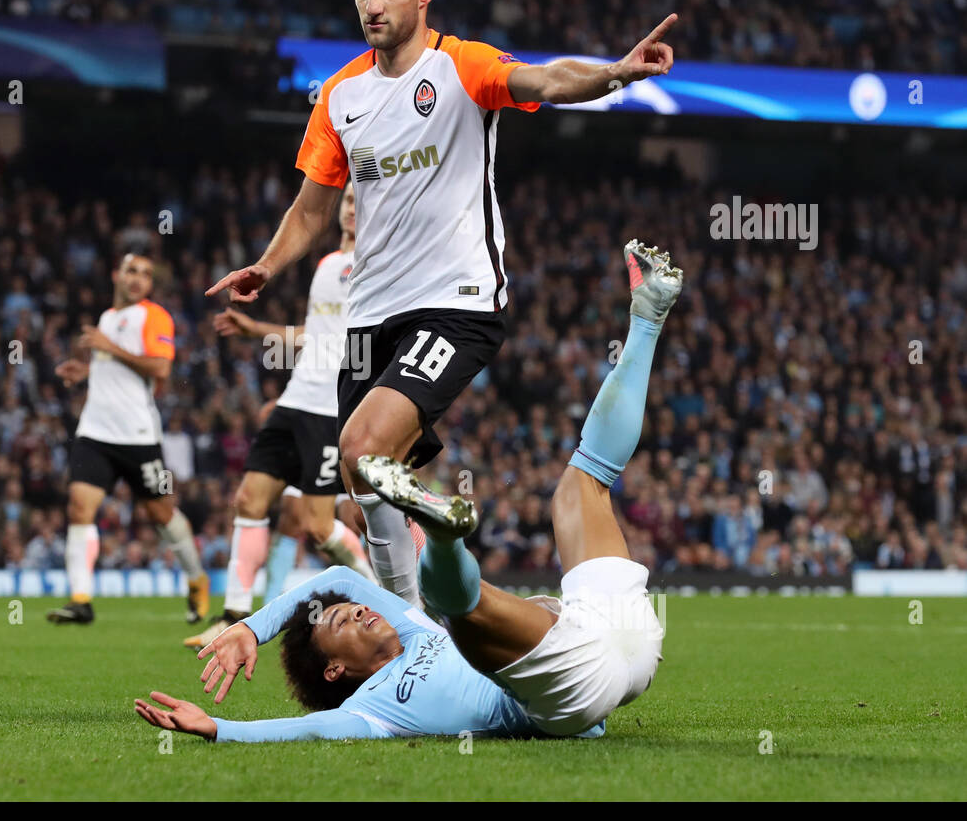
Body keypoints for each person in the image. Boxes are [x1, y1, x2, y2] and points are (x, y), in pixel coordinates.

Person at [207, 0, 677, 612]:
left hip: (455, 303)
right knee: (371, 479)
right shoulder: (340, 95)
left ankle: (403, 632)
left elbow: (543, 78)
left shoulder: (461, 66)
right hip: (370, 316)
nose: (371, 4)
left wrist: (615, 73)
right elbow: (311, 210)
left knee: (363, 447)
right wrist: (267, 264)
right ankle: (447, 614)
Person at [137, 242, 682, 742]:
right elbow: (311, 731)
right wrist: (221, 729)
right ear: (335, 671)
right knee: (456, 608)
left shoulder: (414, 632)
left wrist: (252, 630)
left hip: (610, 630)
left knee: (580, 484)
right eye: (342, 624)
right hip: (575, 687)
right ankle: (443, 536)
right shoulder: (375, 710)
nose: (359, 612)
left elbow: (340, 577)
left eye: (349, 612)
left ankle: (646, 320)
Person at [186, 181, 399, 648]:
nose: (350, 211)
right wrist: (257, 332)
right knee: (249, 500)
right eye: (346, 202)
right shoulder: (326, 265)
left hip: (328, 409)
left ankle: (385, 601)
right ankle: (232, 615)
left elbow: (365, 341)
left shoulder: (378, 268)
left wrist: (357, 398)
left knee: (320, 525)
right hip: (295, 401)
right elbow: (317, 333)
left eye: (359, 205)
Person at [47, 254, 209, 625]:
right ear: (116, 274)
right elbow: (118, 368)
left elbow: (160, 366)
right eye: (132, 271)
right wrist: (89, 369)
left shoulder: (153, 316)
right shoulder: (107, 317)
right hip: (95, 431)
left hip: (137, 434)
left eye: (146, 274)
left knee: (160, 514)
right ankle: (80, 600)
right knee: (79, 507)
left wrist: (107, 348)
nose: (138, 279)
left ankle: (197, 579)